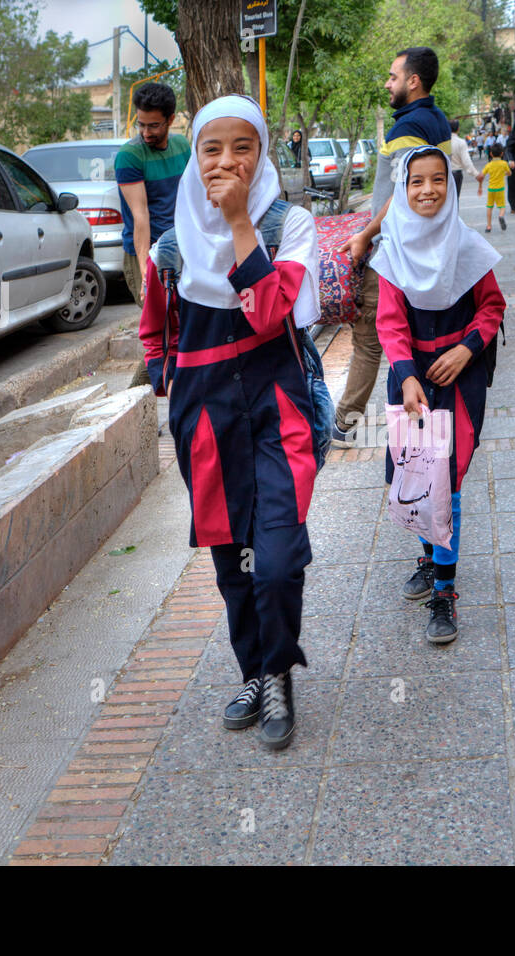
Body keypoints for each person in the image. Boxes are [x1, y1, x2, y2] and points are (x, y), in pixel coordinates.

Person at [137, 94, 321, 752]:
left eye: (243, 147)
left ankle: (278, 669)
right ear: (195, 156)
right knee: (231, 560)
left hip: (277, 404)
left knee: (274, 557)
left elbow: (271, 312)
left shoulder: (288, 226)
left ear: (263, 153)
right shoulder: (172, 243)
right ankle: (259, 672)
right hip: (205, 413)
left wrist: (240, 221)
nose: (226, 161)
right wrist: (164, 370)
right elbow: (155, 322)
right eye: (212, 148)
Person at [371, 147, 505, 642]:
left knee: (447, 482)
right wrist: (407, 375)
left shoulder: (467, 246)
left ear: (451, 188)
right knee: (417, 473)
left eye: (438, 181)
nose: (427, 190)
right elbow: (389, 320)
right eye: (416, 182)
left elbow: (492, 307)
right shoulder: (393, 250)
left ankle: (444, 593)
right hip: (411, 382)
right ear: (402, 190)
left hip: (459, 378)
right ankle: (430, 559)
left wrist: (466, 351)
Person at [338, 46, 452, 448]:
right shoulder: (436, 120)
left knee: (368, 341)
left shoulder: (406, 127)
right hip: (426, 245)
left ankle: (342, 424)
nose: (388, 84)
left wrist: (365, 235)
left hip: (394, 248)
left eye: (392, 76)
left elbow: (406, 192)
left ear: (412, 81)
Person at [116, 82, 191, 306]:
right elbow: (140, 216)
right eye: (141, 125)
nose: (146, 133)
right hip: (146, 251)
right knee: (159, 323)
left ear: (171, 119)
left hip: (181, 244)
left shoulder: (181, 146)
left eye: (154, 125)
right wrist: (144, 271)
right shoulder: (130, 156)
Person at [476, 143, 511, 233]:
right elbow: (509, 173)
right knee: (502, 206)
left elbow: (481, 176)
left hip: (491, 189)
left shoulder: (489, 165)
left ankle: (488, 226)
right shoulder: (504, 164)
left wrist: (480, 187)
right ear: (502, 154)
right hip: (500, 189)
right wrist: (506, 172)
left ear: (491, 154)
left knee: (489, 207)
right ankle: (501, 216)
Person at [447, 118, 478, 196]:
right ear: (458, 129)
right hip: (456, 174)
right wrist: (476, 174)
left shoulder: (442, 142)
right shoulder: (460, 142)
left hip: (444, 174)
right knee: (454, 200)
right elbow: (466, 161)